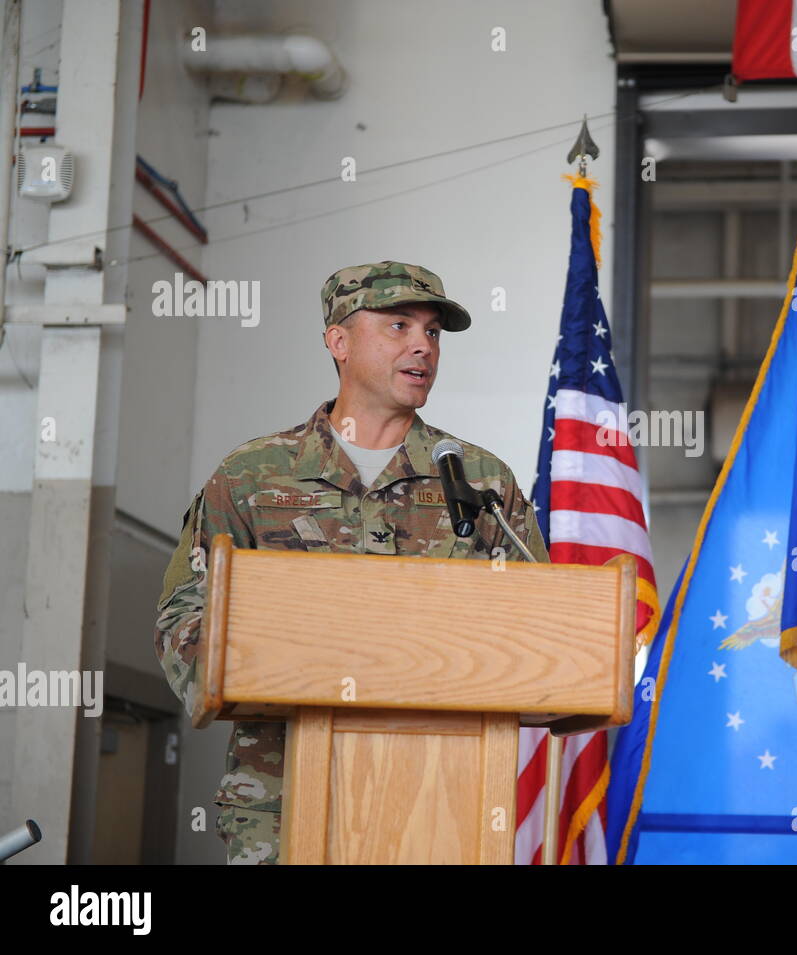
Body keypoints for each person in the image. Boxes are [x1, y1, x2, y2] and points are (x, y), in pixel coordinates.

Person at [153, 261, 548, 864]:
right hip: (282, 798)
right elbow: (183, 613)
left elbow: (539, 622)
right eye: (398, 325)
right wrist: (270, 667)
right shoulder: (253, 476)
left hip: (442, 799)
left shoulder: (479, 480)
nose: (423, 346)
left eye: (433, 332)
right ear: (338, 341)